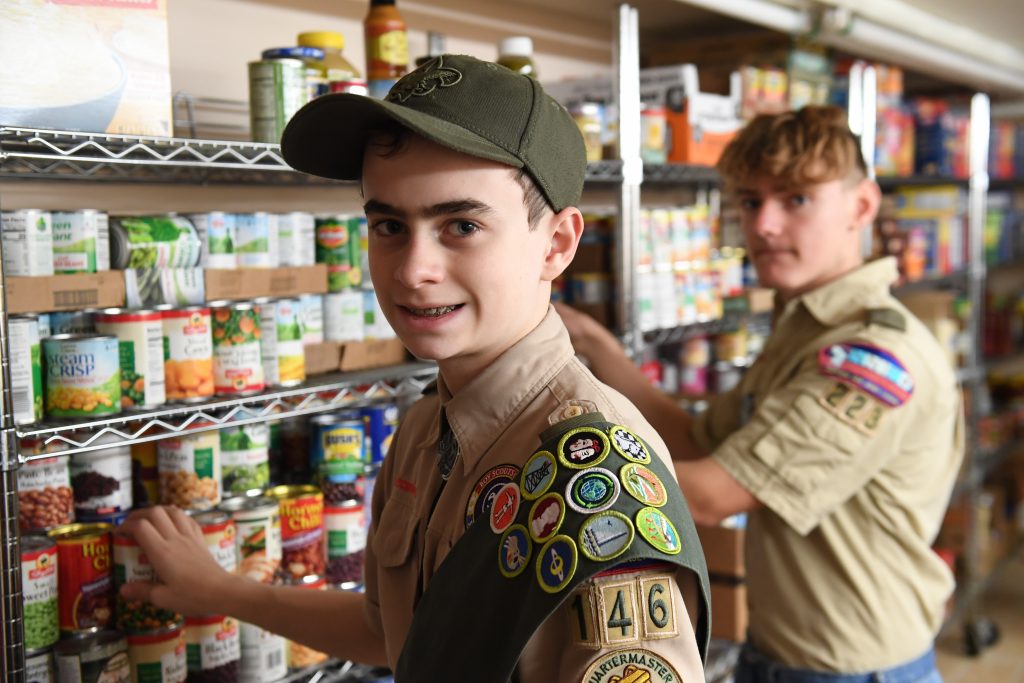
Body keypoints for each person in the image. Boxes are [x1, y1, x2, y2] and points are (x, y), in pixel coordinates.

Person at [120, 54, 711, 683]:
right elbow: (392, 634)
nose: (410, 270)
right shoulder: (426, 431)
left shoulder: (597, 476)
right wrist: (222, 591)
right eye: (389, 225)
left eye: (461, 225)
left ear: (557, 245)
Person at [556, 105, 963, 682]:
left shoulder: (871, 357)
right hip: (775, 656)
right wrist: (594, 346)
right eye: (751, 202)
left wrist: (545, 457)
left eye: (795, 199)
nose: (764, 224)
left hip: (854, 672)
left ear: (862, 206)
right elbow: (697, 442)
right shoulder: (804, 330)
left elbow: (709, 498)